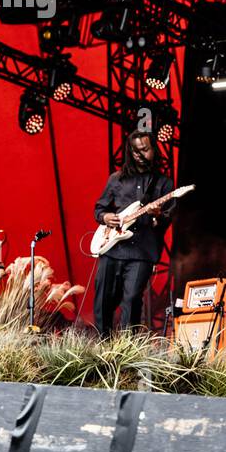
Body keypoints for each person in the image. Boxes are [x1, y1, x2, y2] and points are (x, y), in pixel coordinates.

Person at [92, 131, 174, 335]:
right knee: (103, 299)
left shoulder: (164, 183)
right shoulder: (116, 179)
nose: (140, 155)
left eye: (145, 150)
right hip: (112, 248)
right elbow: (99, 209)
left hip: (141, 252)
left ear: (154, 149)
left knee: (131, 300)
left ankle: (126, 352)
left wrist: (157, 216)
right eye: (136, 151)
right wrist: (105, 217)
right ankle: (102, 346)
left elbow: (167, 218)